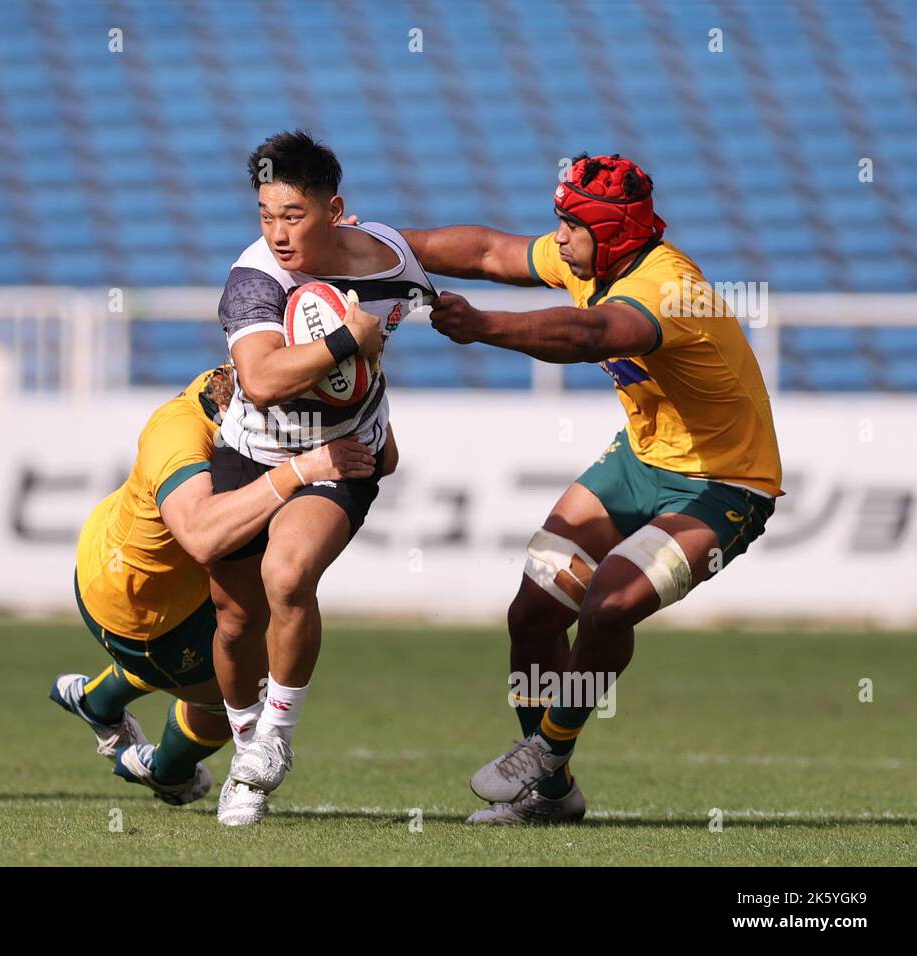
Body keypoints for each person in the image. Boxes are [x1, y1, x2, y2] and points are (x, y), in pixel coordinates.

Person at [399, 152, 782, 824]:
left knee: (608, 605)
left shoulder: (667, 288)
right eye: (560, 221)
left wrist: (485, 326)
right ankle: (551, 794)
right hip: (639, 460)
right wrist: (383, 248)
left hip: (724, 481)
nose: (559, 236)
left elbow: (592, 334)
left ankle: (546, 749)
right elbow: (492, 251)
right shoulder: (590, 255)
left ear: (614, 234)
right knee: (534, 612)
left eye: (572, 225)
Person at [210, 130, 425, 826]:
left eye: (293, 215)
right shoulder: (255, 279)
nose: (277, 232)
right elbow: (263, 380)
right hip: (253, 451)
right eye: (266, 215)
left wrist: (483, 312)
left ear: (335, 211)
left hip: (341, 458)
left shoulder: (387, 260)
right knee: (237, 622)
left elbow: (477, 253)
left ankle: (273, 737)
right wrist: (348, 341)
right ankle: (245, 751)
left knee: (287, 576)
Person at [52, 365, 377, 805]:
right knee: (234, 694)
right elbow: (203, 538)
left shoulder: (250, 394)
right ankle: (166, 772)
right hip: (140, 609)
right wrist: (302, 469)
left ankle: (96, 701)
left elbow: (383, 456)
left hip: (150, 576)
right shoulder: (180, 431)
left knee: (241, 621)